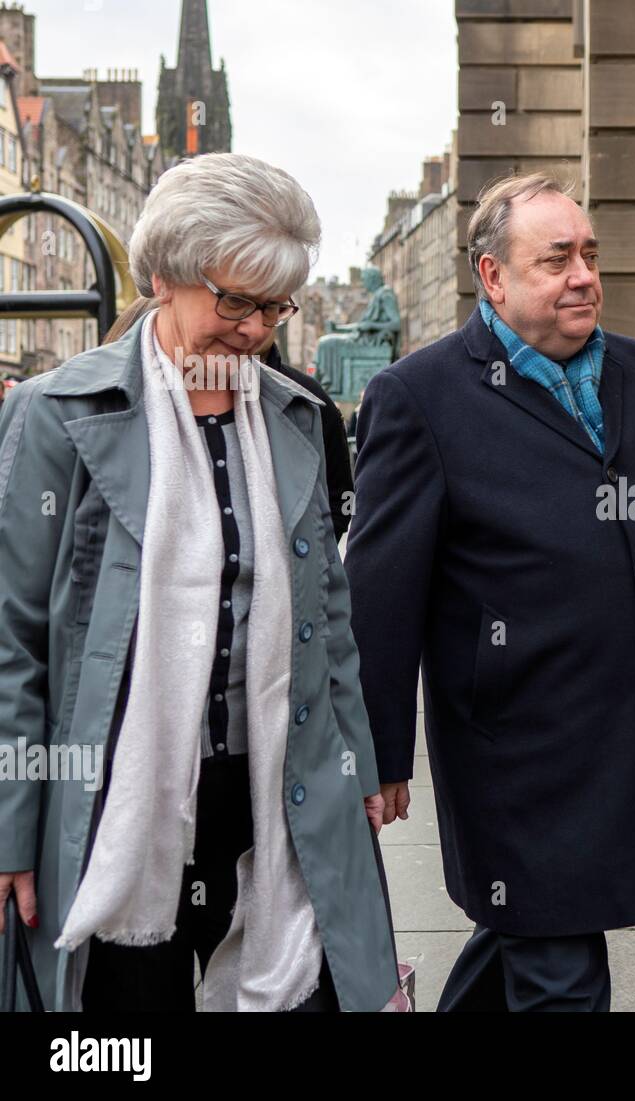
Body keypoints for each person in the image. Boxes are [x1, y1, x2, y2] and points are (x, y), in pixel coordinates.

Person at [345, 173, 635, 1012]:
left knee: (531, 932)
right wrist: (381, 751)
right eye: (556, 260)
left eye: (589, 255)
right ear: (494, 278)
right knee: (558, 966)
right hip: (515, 746)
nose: (583, 274)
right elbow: (381, 594)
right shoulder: (418, 397)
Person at [0, 152, 397, 1012]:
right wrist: (9, 824)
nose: (257, 329)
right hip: (114, 801)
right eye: (236, 300)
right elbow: (14, 642)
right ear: (161, 275)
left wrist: (358, 759)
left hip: (275, 789)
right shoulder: (56, 416)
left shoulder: (298, 418)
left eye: (275, 304)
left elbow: (327, 611)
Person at [107, 297, 356, 543]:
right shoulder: (112, 401)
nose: (254, 326)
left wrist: (305, 555)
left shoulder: (307, 400)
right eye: (238, 303)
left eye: (270, 309)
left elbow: (342, 498)